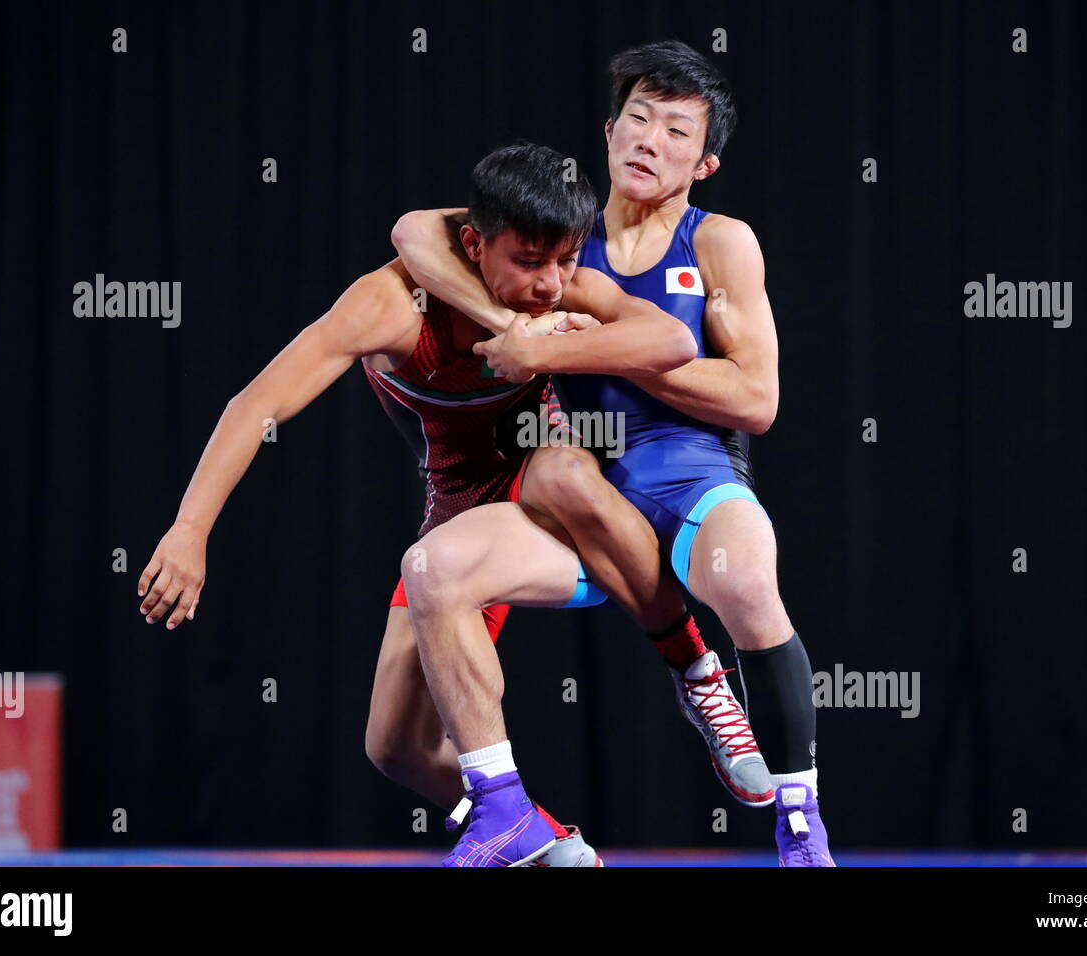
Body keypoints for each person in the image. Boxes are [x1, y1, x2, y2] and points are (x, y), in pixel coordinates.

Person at [136, 143, 701, 866]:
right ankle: (542, 840)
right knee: (394, 747)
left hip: (566, 516)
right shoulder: (392, 306)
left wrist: (545, 349)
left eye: (565, 261)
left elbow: (671, 337)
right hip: (461, 516)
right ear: (472, 244)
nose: (551, 284)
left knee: (559, 465)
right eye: (529, 263)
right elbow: (256, 405)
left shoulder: (563, 285)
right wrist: (190, 530)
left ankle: (693, 666)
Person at [393, 41, 835, 866]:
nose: (649, 141)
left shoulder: (720, 243)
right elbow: (416, 230)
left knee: (744, 577)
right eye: (636, 118)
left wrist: (569, 351)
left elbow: (756, 401)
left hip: (689, 475)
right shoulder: (560, 232)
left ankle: (800, 821)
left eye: (675, 132)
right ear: (605, 131)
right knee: (433, 569)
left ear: (703, 163)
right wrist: (506, 329)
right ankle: (512, 819)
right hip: (577, 499)